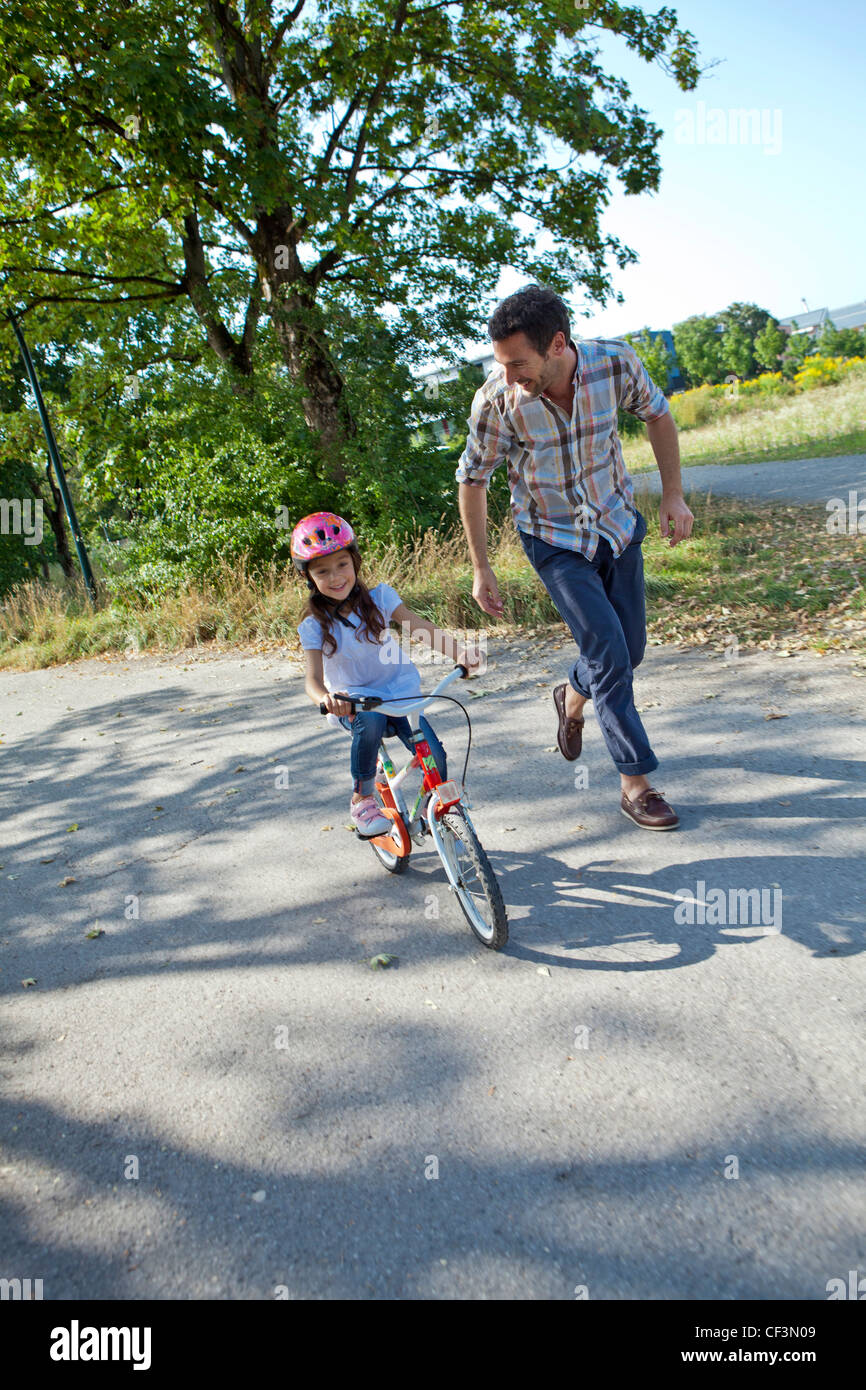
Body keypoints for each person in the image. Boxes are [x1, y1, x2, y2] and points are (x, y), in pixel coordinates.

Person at [455, 284, 694, 830]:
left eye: (518, 364)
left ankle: (571, 694)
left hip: (616, 524)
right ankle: (636, 784)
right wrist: (481, 565)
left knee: (628, 651)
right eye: (502, 365)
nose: (510, 376)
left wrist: (674, 493)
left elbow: (657, 415)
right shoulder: (497, 400)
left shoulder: (616, 363)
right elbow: (472, 479)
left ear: (558, 343)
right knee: (609, 651)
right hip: (553, 538)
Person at [293, 511, 481, 838]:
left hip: (400, 693)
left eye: (342, 565)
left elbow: (420, 628)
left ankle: (434, 813)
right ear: (310, 578)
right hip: (356, 702)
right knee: (371, 722)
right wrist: (325, 698)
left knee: (435, 755)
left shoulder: (379, 599)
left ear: (355, 562)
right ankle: (362, 798)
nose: (336, 577)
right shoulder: (314, 626)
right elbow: (311, 679)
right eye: (322, 571)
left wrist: (459, 653)